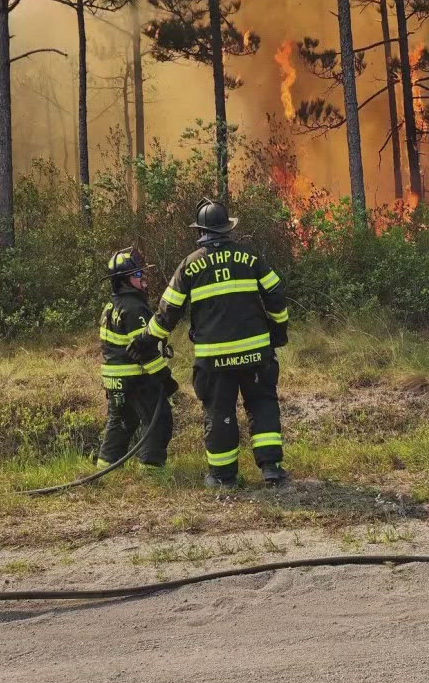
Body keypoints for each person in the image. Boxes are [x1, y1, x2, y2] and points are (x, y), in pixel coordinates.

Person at [134, 200, 290, 487]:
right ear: (227, 228)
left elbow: (168, 311)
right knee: (262, 403)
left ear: (202, 231)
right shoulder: (251, 257)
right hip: (256, 352)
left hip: (214, 358)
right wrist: (279, 329)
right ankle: (272, 468)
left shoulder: (190, 264)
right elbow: (276, 293)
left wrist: (147, 338)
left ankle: (222, 476)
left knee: (219, 411)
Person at [95, 248, 175, 472]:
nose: (145, 279)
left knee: (121, 423)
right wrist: (164, 377)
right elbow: (144, 350)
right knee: (159, 421)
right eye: (138, 275)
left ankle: (105, 468)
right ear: (124, 281)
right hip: (136, 378)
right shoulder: (134, 307)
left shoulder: (111, 306)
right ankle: (151, 470)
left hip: (114, 379)